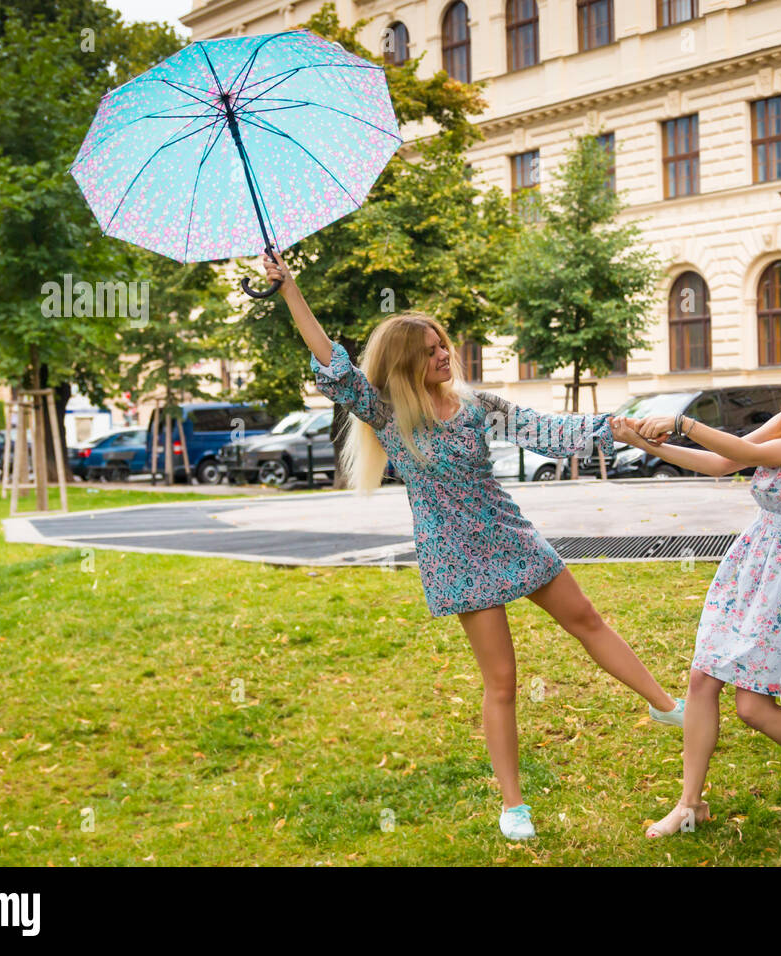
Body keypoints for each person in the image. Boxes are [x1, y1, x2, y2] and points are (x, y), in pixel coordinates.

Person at [261, 250, 685, 841]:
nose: (444, 354)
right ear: (408, 361)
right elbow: (334, 367)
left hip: (508, 535)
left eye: (443, 344)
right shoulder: (388, 413)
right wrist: (290, 290)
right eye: (432, 349)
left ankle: (664, 705)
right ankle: (513, 806)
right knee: (503, 682)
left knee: (586, 617)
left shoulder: (477, 407)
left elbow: (551, 431)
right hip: (456, 556)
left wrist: (618, 426)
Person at [609, 323, 781, 837]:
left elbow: (752, 456)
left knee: (754, 705)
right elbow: (722, 463)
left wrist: (682, 422)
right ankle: (690, 803)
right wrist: (648, 444)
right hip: (755, 555)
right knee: (702, 678)